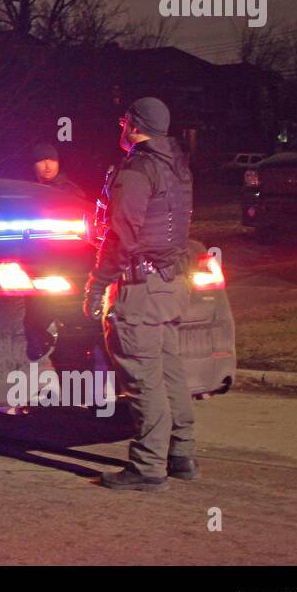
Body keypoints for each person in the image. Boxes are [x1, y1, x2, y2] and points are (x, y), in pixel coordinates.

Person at [83, 97, 197, 492]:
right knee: (169, 370)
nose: (121, 129)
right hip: (171, 284)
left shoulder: (137, 171)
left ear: (133, 125)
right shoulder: (177, 167)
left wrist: (97, 284)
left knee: (144, 378)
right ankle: (181, 454)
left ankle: (148, 468)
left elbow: (121, 236)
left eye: (123, 122)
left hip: (141, 288)